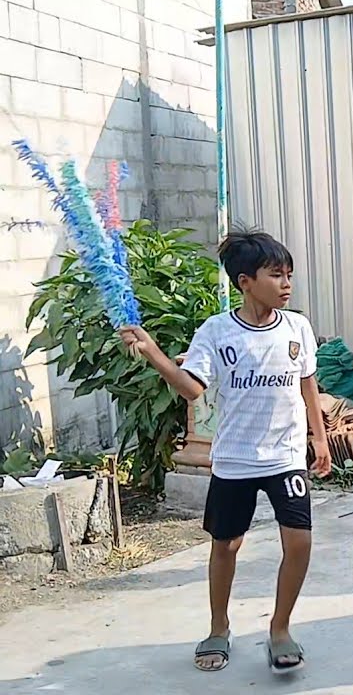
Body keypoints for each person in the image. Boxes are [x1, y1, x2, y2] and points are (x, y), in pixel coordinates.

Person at [119, 231, 330, 674]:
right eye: (276, 275)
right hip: (235, 458)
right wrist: (155, 353)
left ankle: (280, 628)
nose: (287, 284)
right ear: (245, 281)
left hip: (285, 456)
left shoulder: (298, 327)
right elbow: (193, 389)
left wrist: (319, 437)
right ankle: (218, 627)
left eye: (289, 275)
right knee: (226, 545)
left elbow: (308, 384)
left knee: (300, 540)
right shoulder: (216, 332)